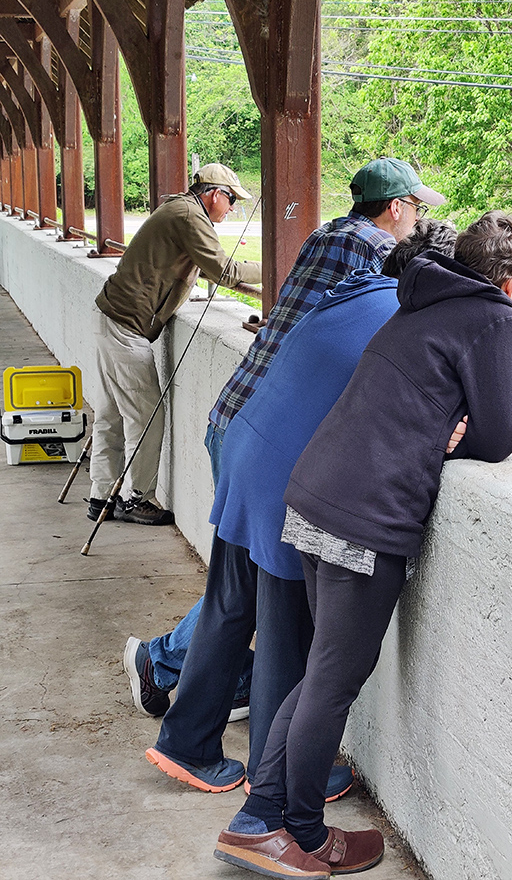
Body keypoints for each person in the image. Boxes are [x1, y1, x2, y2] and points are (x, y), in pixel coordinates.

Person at [215, 211, 512, 879]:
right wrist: (463, 431)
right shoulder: (494, 318)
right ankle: (299, 834)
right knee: (333, 681)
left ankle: (260, 819)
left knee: (318, 672)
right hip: (363, 517)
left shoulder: (424, 296)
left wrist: (455, 422)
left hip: (313, 491)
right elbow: (502, 432)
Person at [143, 221, 459, 805]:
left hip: (243, 444)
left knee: (228, 602)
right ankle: (280, 776)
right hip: (285, 479)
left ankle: (185, 743)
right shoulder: (411, 323)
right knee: (288, 629)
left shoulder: (352, 287)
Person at [124, 158, 445, 715]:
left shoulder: (327, 233)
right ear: (396, 207)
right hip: (273, 428)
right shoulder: (375, 250)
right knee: (263, 580)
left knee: (248, 571)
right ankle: (167, 660)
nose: (416, 221)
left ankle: (219, 680)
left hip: (242, 412)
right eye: (415, 209)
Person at [88, 163, 261, 527]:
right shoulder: (189, 216)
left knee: (110, 416)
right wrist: (276, 268)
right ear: (215, 194)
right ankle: (138, 498)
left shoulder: (180, 208)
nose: (231, 209)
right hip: (125, 327)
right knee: (146, 417)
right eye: (231, 200)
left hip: (111, 317)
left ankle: (101, 497)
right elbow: (226, 272)